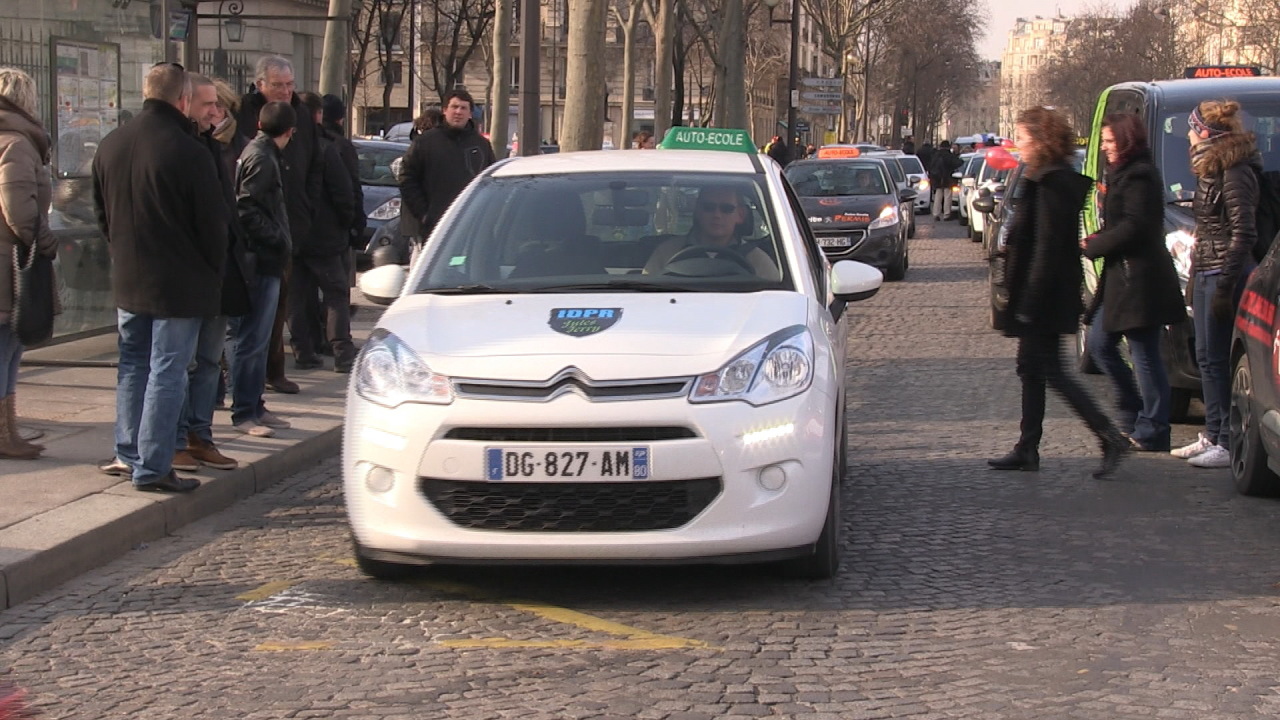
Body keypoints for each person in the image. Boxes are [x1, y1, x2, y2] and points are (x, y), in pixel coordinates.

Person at [92, 63, 228, 493]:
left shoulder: (112, 143)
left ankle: (127, 452)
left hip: (129, 277)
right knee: (168, 370)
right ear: (183, 100)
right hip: (179, 284)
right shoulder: (189, 150)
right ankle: (152, 465)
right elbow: (213, 224)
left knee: (133, 365)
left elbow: (102, 214)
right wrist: (213, 271)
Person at [987, 106, 1129, 480]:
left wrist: (1030, 300)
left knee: (1053, 371)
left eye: (1023, 138)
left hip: (1044, 295)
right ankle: (1027, 446)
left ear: (1041, 140)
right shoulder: (1043, 178)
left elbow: (1047, 247)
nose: (1018, 146)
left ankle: (1108, 435)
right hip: (1041, 293)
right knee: (1031, 369)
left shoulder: (1052, 184)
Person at [1081, 113, 1186, 453]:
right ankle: (1133, 408)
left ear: (1126, 141)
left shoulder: (1140, 175)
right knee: (1098, 345)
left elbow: (1136, 227)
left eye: (1112, 142)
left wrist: (1098, 244)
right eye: (1105, 142)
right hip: (1120, 279)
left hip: (1140, 280)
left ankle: (1153, 425)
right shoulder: (1122, 173)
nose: (1106, 148)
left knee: (1144, 354)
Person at [1172, 99, 1262, 468]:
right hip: (1207, 269)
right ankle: (1212, 432)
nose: (1188, 138)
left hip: (1226, 273)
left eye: (1191, 131)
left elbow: (1243, 233)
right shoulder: (1209, 169)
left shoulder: (1235, 171)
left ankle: (1226, 439)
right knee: (1207, 359)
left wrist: (1225, 284)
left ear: (1205, 133)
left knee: (1221, 360)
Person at [171, 73, 249, 472]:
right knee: (182, 362)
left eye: (220, 106)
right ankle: (180, 435)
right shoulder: (190, 149)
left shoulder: (228, 148)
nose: (215, 113)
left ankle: (201, 434)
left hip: (223, 271)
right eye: (209, 105)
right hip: (193, 273)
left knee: (207, 360)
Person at [237, 56, 321, 396]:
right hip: (260, 236)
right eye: (278, 86)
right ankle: (252, 386)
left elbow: (316, 164)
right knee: (257, 315)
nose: (286, 92)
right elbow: (246, 199)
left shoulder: (301, 114)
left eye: (290, 85)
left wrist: (306, 209)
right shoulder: (247, 118)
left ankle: (273, 371)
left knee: (283, 302)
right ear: (261, 86)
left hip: (292, 221)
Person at [229, 101, 296, 438]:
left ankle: (254, 404)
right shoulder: (262, 158)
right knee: (252, 339)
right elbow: (246, 207)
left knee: (258, 337)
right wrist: (278, 241)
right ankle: (244, 410)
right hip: (260, 259)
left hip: (263, 256)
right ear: (289, 132)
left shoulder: (257, 152)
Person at [0, 67, 56, 460]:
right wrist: (44, 240)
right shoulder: (15, 143)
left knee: (9, 346)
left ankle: (8, 430)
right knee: (6, 348)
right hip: (7, 261)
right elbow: (18, 209)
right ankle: (4, 434)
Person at [291, 92, 357, 373]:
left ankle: (303, 350)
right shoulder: (327, 148)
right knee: (335, 294)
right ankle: (341, 349)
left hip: (295, 234)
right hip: (325, 234)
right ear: (317, 115)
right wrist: (347, 223)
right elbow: (344, 192)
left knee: (298, 295)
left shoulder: (286, 147)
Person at [399, 88, 496, 247]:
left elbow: (490, 182)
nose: (458, 112)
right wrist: (424, 213)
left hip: (473, 227)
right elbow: (407, 178)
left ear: (470, 113)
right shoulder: (425, 143)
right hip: (437, 227)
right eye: (454, 107)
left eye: (463, 108)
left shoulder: (481, 145)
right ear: (445, 110)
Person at [643, 186, 779, 279]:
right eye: (708, 207)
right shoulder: (667, 252)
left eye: (726, 208)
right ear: (697, 211)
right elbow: (645, 295)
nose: (717, 215)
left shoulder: (758, 261)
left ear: (741, 215)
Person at [930, 141, 962, 220]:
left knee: (938, 196)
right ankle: (946, 214)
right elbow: (958, 163)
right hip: (948, 178)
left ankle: (936, 213)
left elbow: (931, 166)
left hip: (937, 178)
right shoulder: (949, 156)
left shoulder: (936, 155)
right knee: (948, 196)